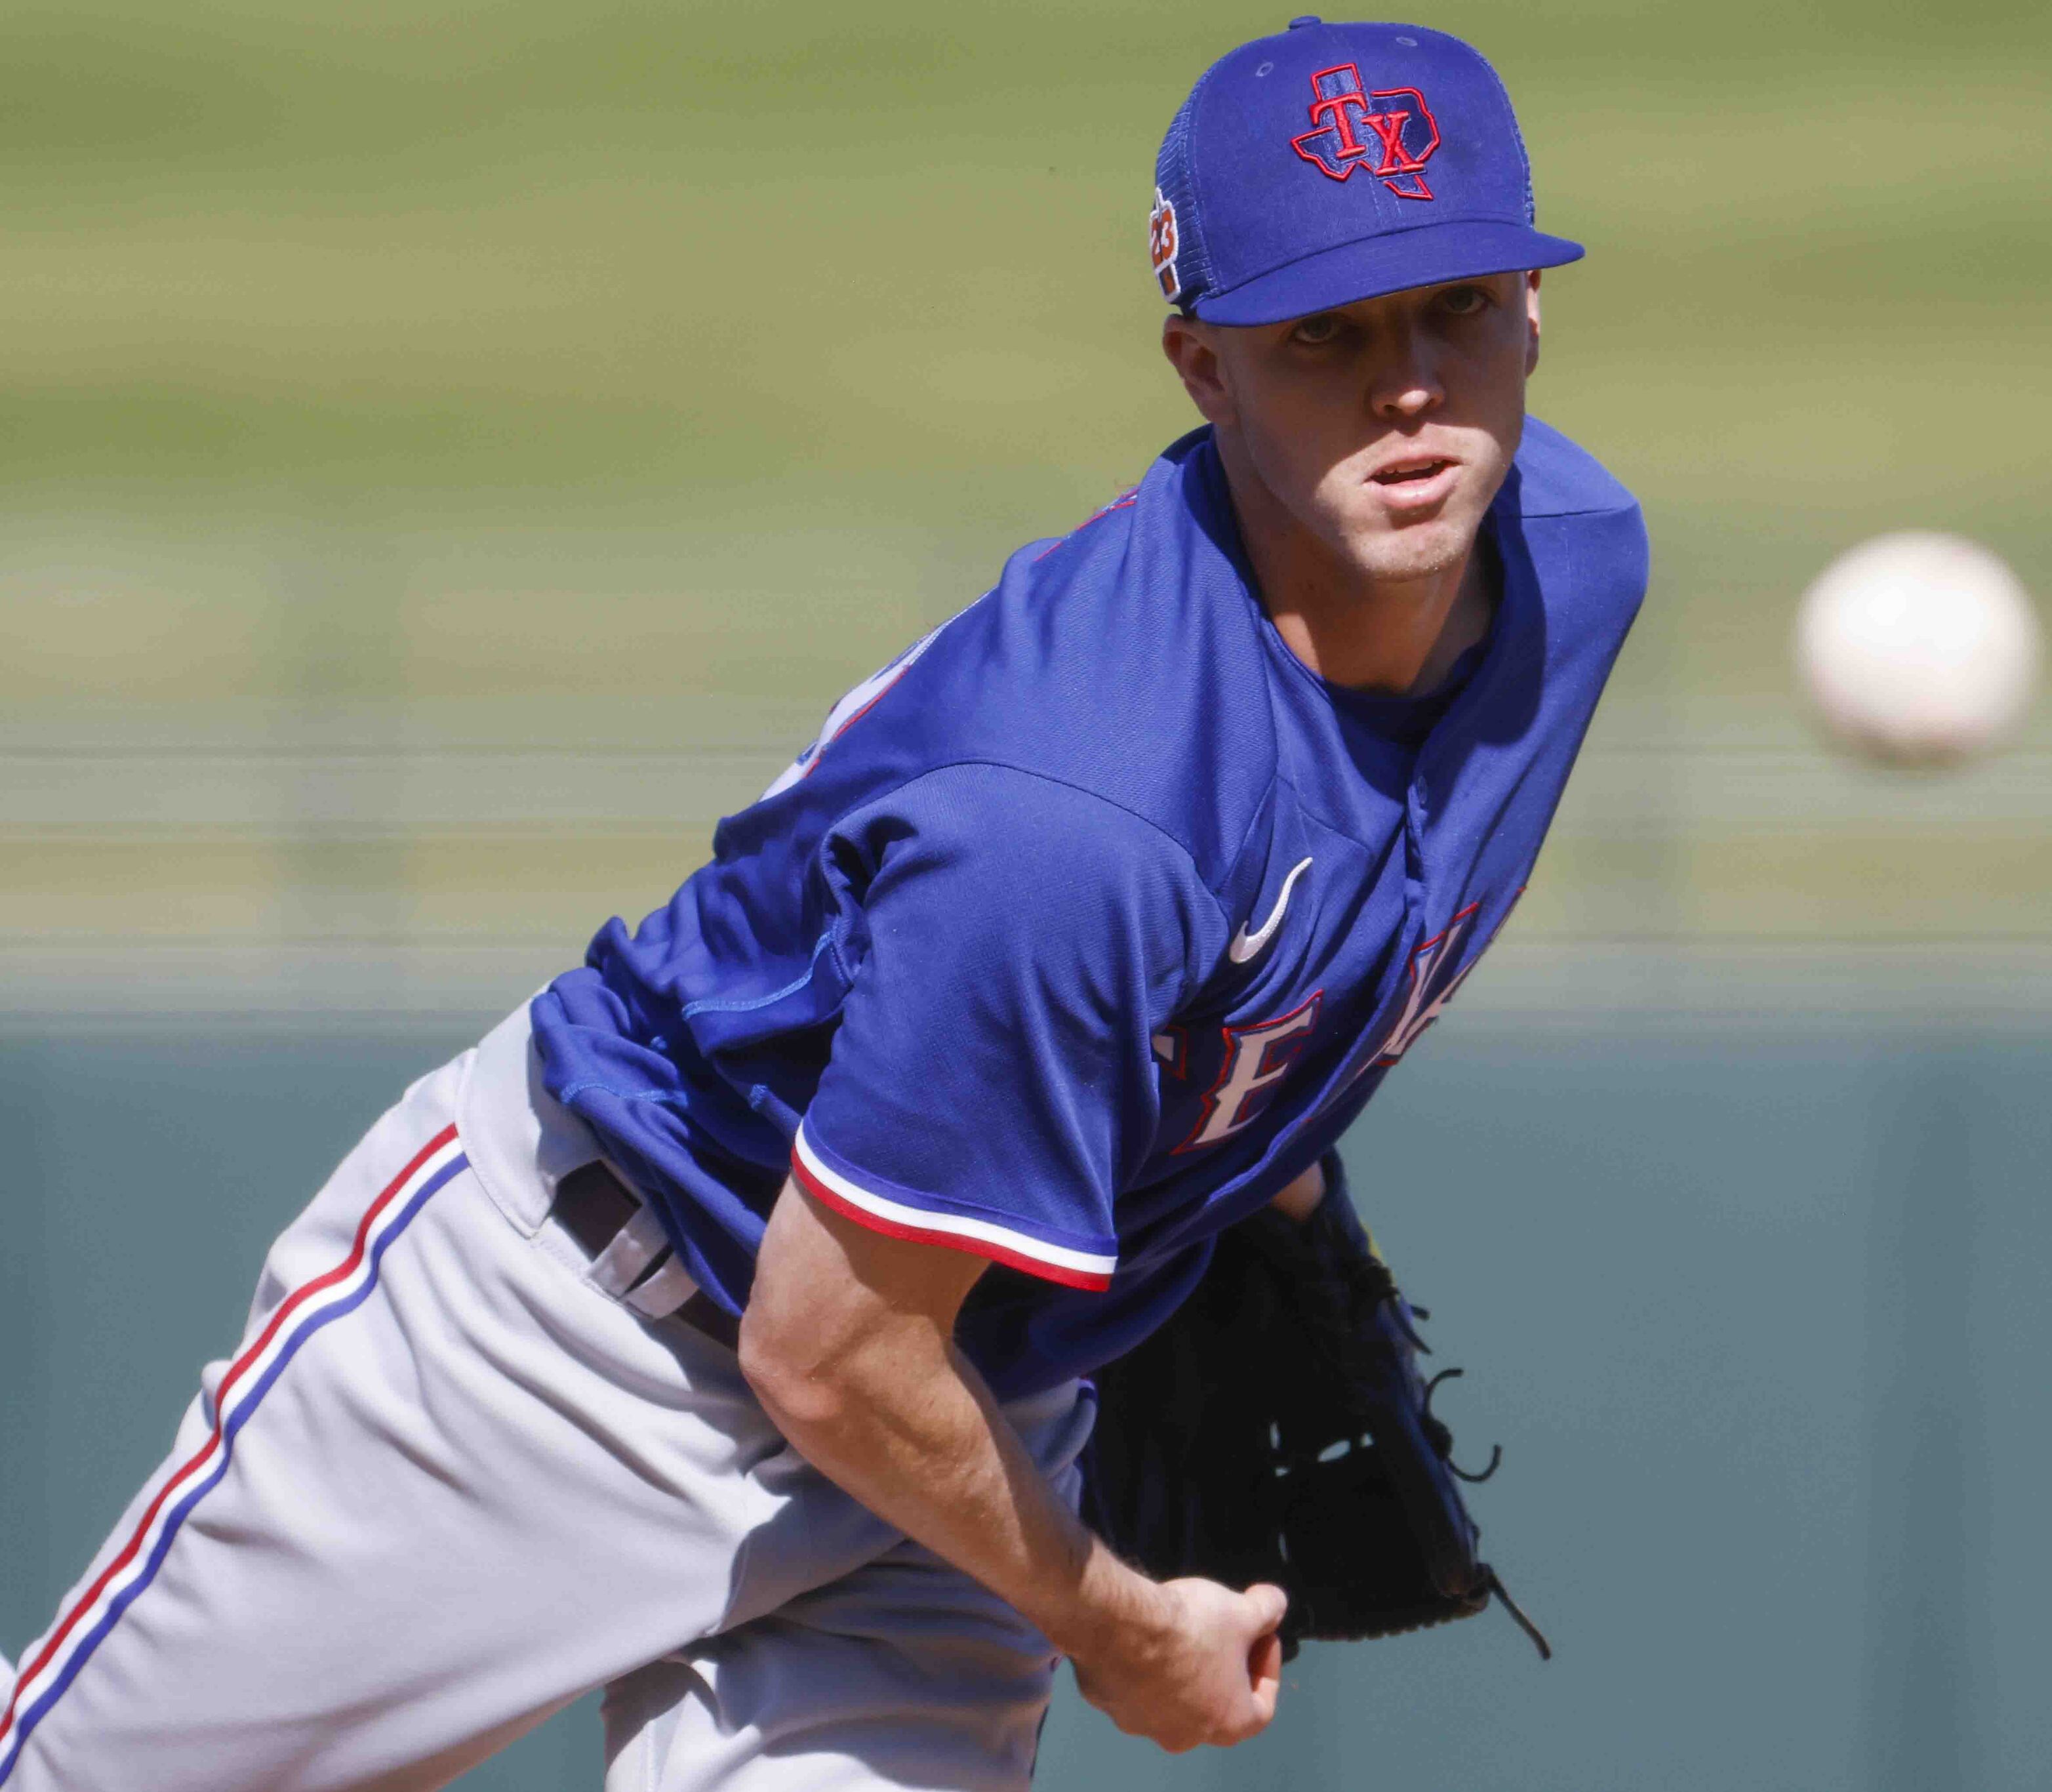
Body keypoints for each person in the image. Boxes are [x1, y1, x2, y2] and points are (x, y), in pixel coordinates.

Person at [0, 17, 1647, 1791]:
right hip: (569, 1340)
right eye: (1324, 332)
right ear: (1202, 368)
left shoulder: (1574, 569)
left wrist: (1262, 1181)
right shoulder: (1076, 811)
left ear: (1535, 314)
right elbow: (830, 1344)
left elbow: (1280, 935)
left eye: (1456, 305)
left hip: (955, 1429)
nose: (1408, 386)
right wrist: (1117, 1621)